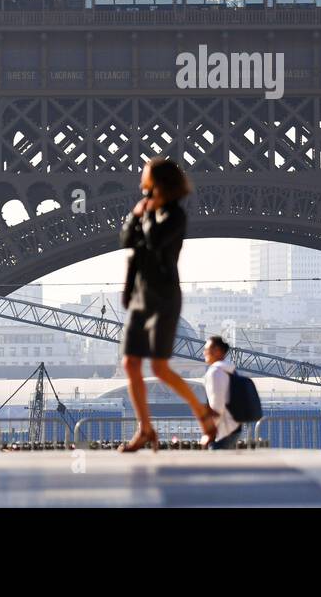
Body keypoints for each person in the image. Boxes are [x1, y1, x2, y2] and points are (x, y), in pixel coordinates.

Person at [118, 157, 217, 452]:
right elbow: (127, 241)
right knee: (130, 363)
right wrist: (136, 216)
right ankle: (145, 428)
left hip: (163, 297)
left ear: (158, 183)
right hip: (140, 296)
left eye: (145, 178)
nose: (140, 184)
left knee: (159, 368)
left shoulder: (175, 216)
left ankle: (202, 411)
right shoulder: (146, 212)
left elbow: (154, 241)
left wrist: (143, 216)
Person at [201, 335, 241, 450]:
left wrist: (210, 433)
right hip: (234, 427)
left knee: (214, 464)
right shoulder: (230, 370)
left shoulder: (215, 372)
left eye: (206, 349)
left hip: (223, 430)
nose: (204, 353)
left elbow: (217, 406)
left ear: (217, 351)